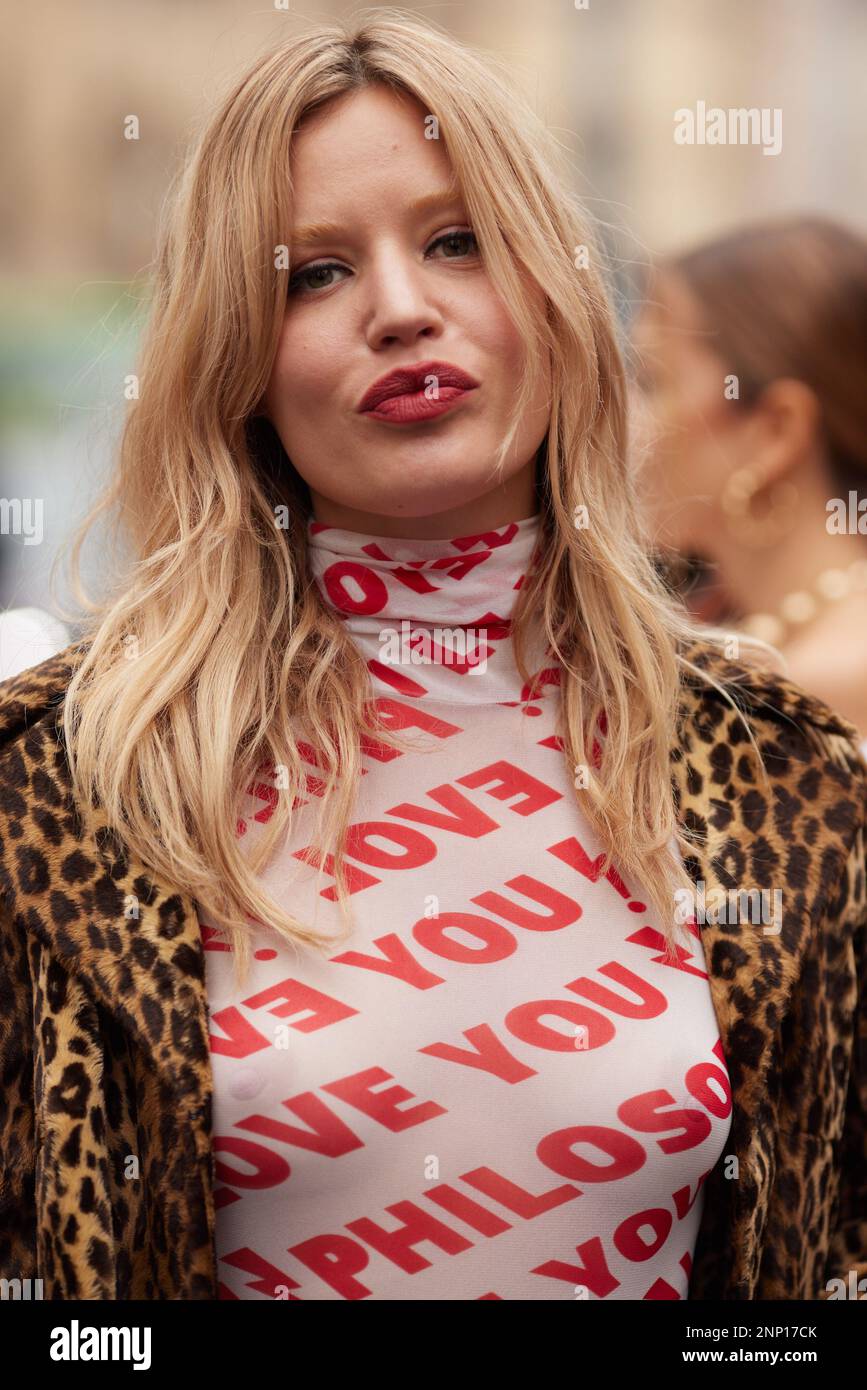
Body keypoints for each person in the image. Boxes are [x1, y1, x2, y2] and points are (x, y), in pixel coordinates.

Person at [0, 14, 864, 1304]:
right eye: (313, 274)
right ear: (235, 353)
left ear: (556, 290)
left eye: (458, 242)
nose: (402, 310)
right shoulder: (63, 777)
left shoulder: (774, 766)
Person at [630, 216, 867, 743]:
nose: (622, 420)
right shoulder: (760, 638)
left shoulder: (806, 687)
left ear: (776, 430)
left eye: (650, 382)